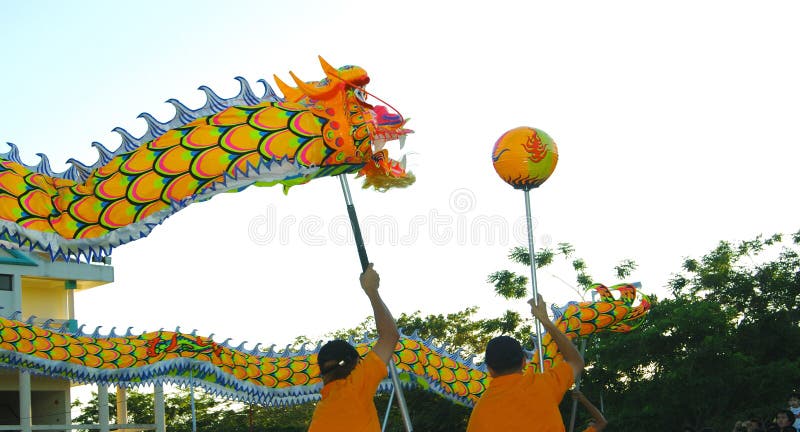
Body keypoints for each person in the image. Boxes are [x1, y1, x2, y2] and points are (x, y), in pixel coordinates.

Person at [466, 294, 585, 431]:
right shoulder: (545, 385)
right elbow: (576, 361)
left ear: (490, 369)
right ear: (524, 362)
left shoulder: (480, 415)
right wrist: (546, 321)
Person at [307, 264, 400, 432]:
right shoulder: (354, 389)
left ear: (323, 375)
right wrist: (372, 291)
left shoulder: (321, 412)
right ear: (356, 363)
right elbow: (389, 336)